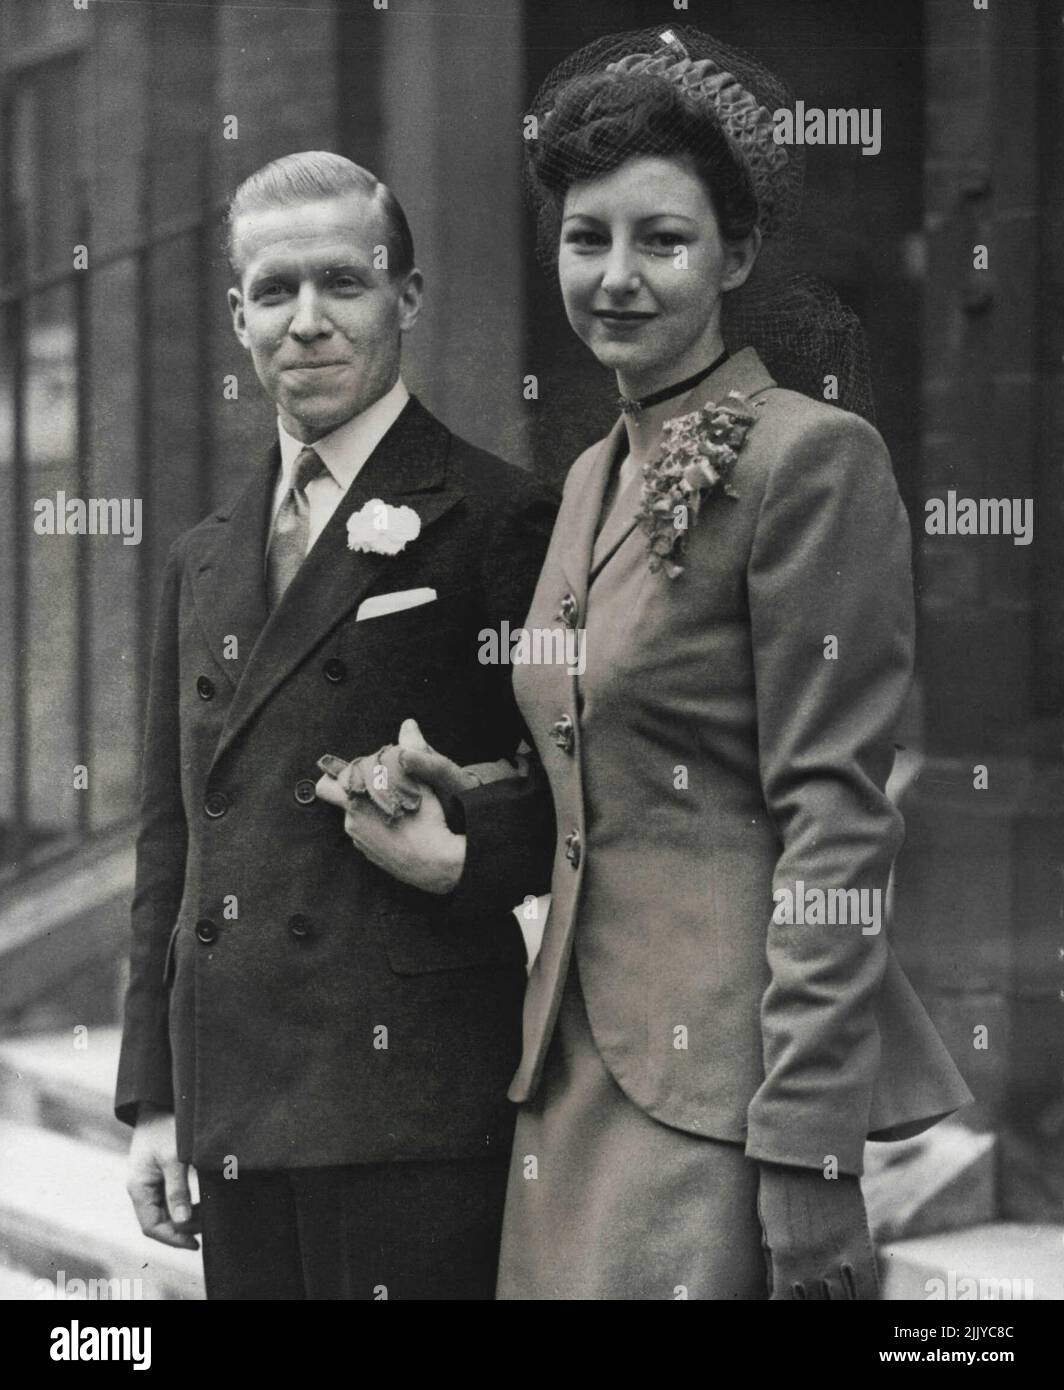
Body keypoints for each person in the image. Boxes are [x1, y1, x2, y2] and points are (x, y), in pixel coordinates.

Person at [334, 27, 973, 1300]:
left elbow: (833, 824)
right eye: (586, 238)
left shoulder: (811, 461)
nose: (615, 277)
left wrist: (804, 1146)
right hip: (566, 1065)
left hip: (717, 1093)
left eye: (660, 240)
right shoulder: (587, 478)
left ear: (732, 255)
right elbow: (614, 759)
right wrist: (467, 794)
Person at [114, 151, 556, 1300]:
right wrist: (156, 1097)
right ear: (238, 315)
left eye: (341, 284)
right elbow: (170, 846)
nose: (305, 323)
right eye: (273, 292)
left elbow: (570, 785)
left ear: (403, 298)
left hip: (410, 1099)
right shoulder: (202, 555)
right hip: (240, 1101)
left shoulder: (505, 516)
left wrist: (462, 849)